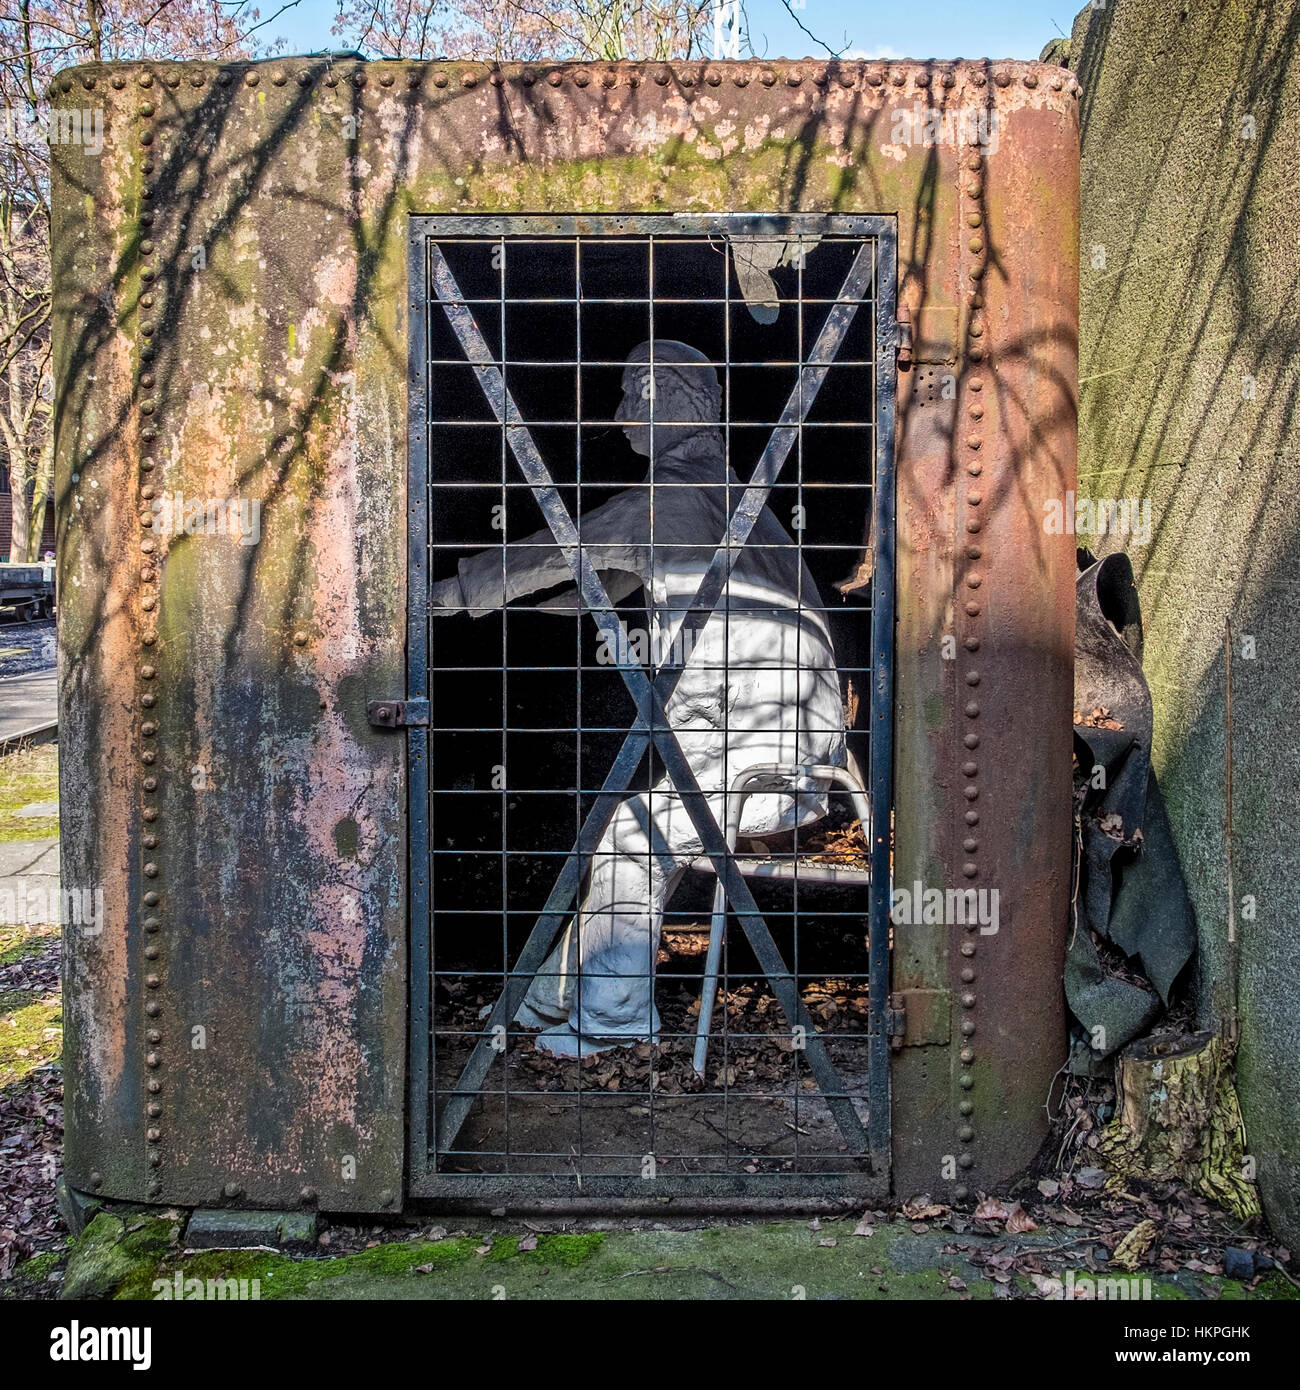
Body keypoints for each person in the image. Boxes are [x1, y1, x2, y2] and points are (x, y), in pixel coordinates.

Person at [430, 340, 846, 1055]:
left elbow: (549, 554)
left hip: (762, 759)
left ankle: (614, 1023)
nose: (620, 416)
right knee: (619, 832)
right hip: (799, 752)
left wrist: (440, 598)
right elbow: (604, 579)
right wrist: (564, 601)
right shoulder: (734, 503)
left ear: (671, 402)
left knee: (631, 834)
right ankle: (548, 1000)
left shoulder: (665, 501)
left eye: (632, 395)